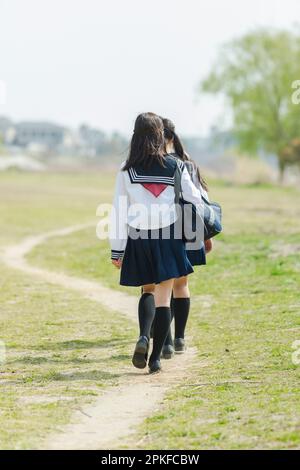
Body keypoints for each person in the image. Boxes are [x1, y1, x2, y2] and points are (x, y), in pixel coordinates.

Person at [109, 112, 203, 373]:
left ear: (135, 136)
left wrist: (117, 249)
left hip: (139, 237)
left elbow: (118, 210)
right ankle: (156, 359)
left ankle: (142, 336)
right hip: (168, 237)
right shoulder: (176, 166)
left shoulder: (126, 170)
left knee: (147, 290)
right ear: (161, 136)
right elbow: (194, 199)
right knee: (164, 296)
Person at [142, 118, 213, 359]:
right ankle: (179, 337)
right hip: (189, 229)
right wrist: (205, 233)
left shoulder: (156, 164)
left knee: (156, 285)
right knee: (180, 284)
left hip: (165, 229)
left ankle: (167, 342)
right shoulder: (188, 162)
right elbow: (201, 199)